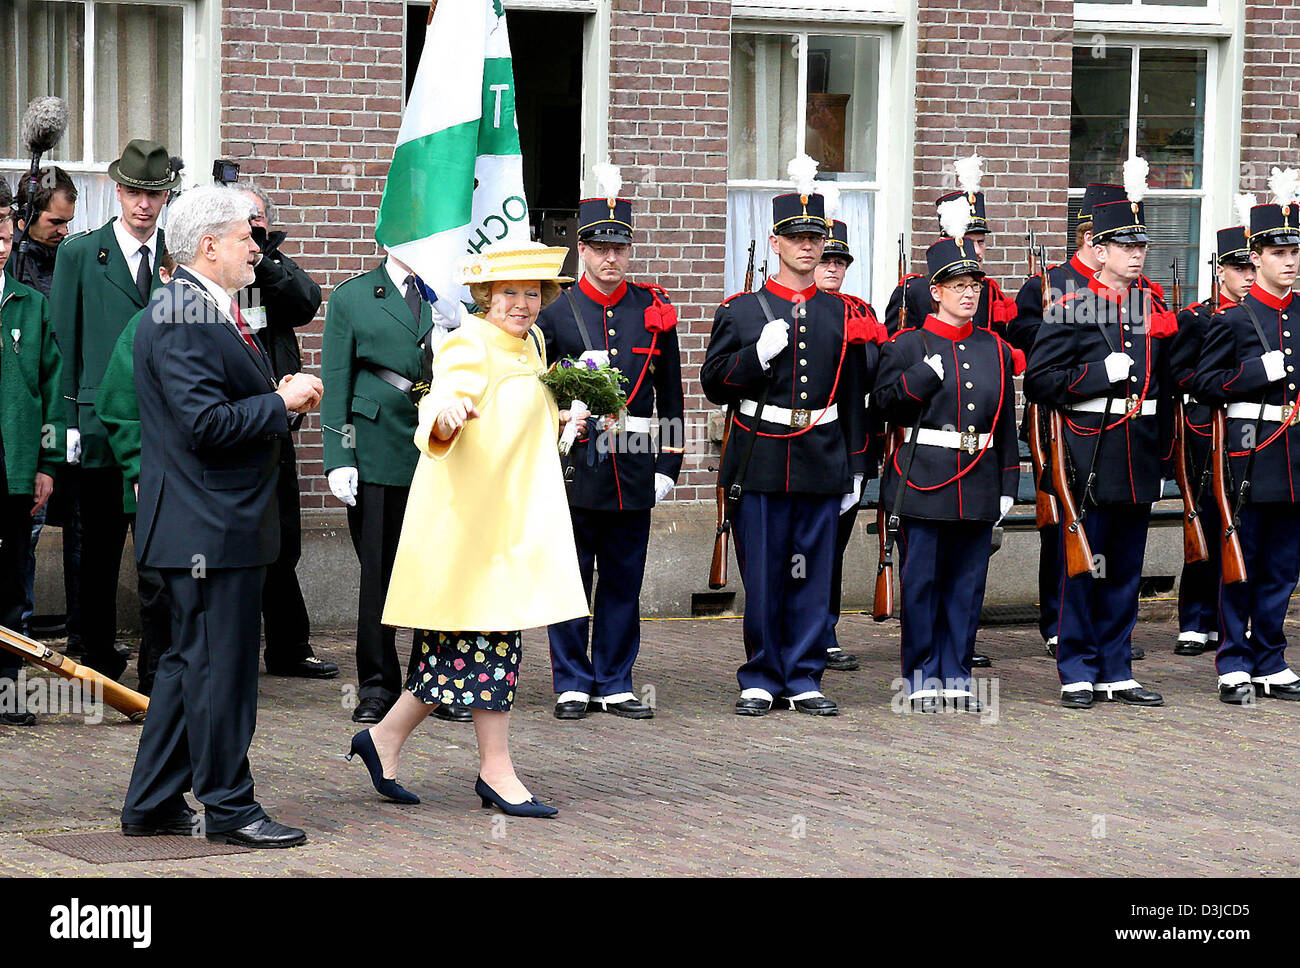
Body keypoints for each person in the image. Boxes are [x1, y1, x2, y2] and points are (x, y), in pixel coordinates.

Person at [351, 241, 588, 817]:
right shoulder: (467, 342)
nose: (523, 304)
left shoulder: (530, 344)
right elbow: (441, 402)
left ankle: (381, 740)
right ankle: (496, 771)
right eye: (510, 292)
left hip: (507, 523)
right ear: (486, 296)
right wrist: (445, 418)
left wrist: (563, 420)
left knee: (453, 649)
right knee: (491, 641)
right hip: (470, 527)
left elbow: (516, 421)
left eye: (533, 293)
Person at [120, 185, 322, 846]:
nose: (256, 250)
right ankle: (231, 809)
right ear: (208, 245)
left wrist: (274, 400)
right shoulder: (183, 314)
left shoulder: (203, 308)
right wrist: (282, 403)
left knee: (187, 669)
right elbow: (203, 424)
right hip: (208, 527)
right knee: (222, 676)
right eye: (245, 238)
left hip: (211, 524)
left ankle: (151, 803)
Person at [701, 185, 875, 717]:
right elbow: (714, 384)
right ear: (774, 242)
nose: (807, 247)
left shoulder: (842, 314)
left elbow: (853, 396)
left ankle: (803, 675)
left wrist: (855, 468)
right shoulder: (742, 310)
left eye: (815, 237)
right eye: (796, 237)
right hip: (761, 455)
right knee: (765, 572)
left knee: (811, 572)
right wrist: (754, 355)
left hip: (821, 454)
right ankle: (760, 674)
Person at [535, 173, 684, 721]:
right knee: (571, 576)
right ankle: (573, 680)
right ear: (582, 248)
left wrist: (669, 460)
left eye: (620, 248)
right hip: (576, 461)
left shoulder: (652, 307)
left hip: (635, 463)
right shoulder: (553, 313)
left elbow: (670, 389)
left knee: (624, 577)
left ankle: (615, 678)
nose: (611, 259)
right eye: (600, 248)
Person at [1025, 174, 1176, 709]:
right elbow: (1040, 381)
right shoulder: (1070, 305)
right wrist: (1095, 373)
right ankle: (1078, 668)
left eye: (1140, 246)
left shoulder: (1149, 305)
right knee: (1084, 562)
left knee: (1125, 567)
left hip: (1137, 453)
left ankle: (1115, 666)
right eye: (1126, 246)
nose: (1136, 256)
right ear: (1101, 248)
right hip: (1087, 452)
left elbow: (1169, 385)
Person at [874, 232, 1021, 711]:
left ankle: (955, 672)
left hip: (978, 479)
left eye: (974, 285)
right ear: (935, 291)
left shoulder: (995, 348)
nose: (969, 293)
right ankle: (919, 674)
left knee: (966, 585)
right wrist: (921, 377)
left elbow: (1004, 425)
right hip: (923, 479)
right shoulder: (907, 345)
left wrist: (1007, 483)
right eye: (957, 285)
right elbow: (882, 408)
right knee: (922, 584)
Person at [322, 250, 469, 724]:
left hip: (443, 446)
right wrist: (339, 456)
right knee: (379, 577)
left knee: (438, 572)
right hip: (379, 446)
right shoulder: (355, 296)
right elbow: (337, 378)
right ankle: (377, 685)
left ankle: (434, 682)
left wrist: (461, 322)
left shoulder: (455, 294)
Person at [49, 139, 176, 682]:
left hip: (166, 431)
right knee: (97, 556)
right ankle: (96, 663)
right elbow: (62, 343)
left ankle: (157, 675)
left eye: (154, 194)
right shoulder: (81, 254)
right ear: (117, 192)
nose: (144, 205)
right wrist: (68, 422)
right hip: (99, 428)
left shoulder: (179, 254)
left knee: (161, 560)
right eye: (134, 193)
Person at [1010, 183, 1125, 659]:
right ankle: (1058, 619)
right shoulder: (1051, 281)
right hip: (1055, 412)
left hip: (1109, 420)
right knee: (1057, 517)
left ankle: (1098, 625)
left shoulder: (1134, 293)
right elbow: (1022, 333)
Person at [1193, 197, 1300, 704]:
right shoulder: (1234, 320)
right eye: (1278, 252)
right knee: (1242, 558)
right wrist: (1258, 373)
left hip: (1296, 456)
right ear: (1255, 256)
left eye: (1295, 251)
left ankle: (1270, 657)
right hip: (1251, 453)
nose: (1290, 261)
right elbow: (1205, 385)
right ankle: (1234, 660)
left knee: (1284, 564)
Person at [234, 182, 337, 680]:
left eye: (256, 219)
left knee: (285, 535)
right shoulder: (216, 267)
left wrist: (264, 253)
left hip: (275, 420)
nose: (249, 230)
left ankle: (289, 647)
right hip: (234, 418)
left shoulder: (266, 264)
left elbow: (305, 302)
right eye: (239, 220)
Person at [1168, 224, 1255, 659]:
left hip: (1252, 429)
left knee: (1241, 523)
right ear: (1221, 270)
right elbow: (1180, 374)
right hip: (1206, 427)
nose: (1248, 276)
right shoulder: (1198, 318)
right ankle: (1195, 619)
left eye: (1251, 266)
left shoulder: (1265, 318)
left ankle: (1233, 619)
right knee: (1204, 519)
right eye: (1239, 267)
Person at [95, 250, 179, 696]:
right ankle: (155, 683)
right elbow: (116, 404)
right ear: (164, 275)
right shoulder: (143, 326)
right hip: (154, 482)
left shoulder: (227, 322)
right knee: (160, 587)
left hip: (200, 488)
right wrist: (139, 468)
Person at [8, 166, 79, 651]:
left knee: (24, 556)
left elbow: (52, 378)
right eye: (55, 221)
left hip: (41, 443)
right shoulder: (16, 266)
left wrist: (50, 454)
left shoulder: (64, 268)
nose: (63, 231)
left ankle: (17, 654)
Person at [0, 197, 64, 726]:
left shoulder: (30, 305)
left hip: (15, 474)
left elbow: (51, 387)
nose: (1, 242)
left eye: (4, 229)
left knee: (13, 582)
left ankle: (7, 688)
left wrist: (45, 464)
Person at [813, 218, 882, 674]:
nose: (834, 268)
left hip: (847, 445)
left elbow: (867, 386)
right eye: (826, 260)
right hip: (796, 445)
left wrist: (859, 463)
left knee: (831, 550)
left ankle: (825, 631)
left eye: (840, 262)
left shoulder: (859, 311)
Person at [8, 165, 78, 297]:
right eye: (56, 222)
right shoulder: (6, 259)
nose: (64, 231)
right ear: (27, 215)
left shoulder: (69, 258)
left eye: (67, 222)